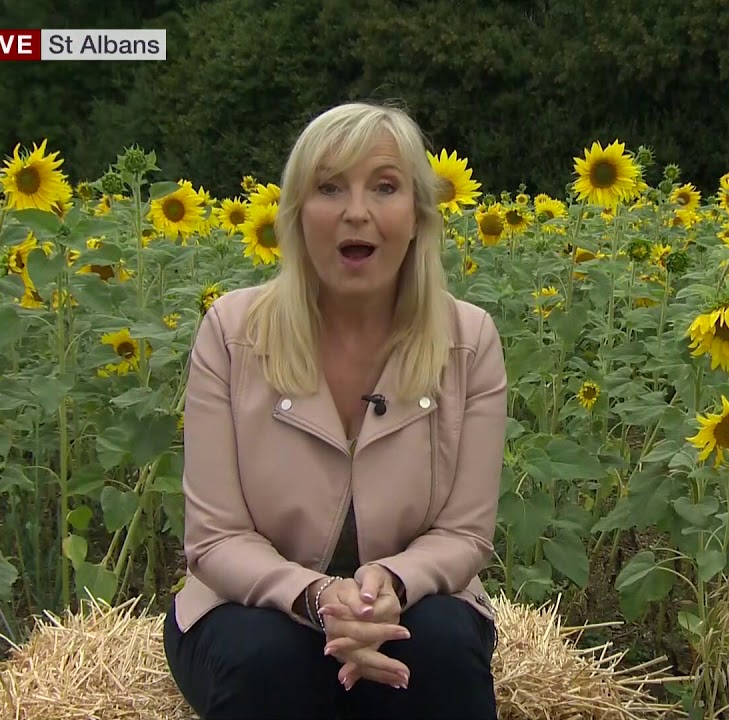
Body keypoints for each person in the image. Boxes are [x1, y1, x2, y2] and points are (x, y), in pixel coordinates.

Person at [163, 100, 508, 720]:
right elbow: (214, 539)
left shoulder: (469, 341)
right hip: (253, 609)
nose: (357, 212)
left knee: (445, 649)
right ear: (295, 217)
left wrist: (390, 588)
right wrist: (319, 597)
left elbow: (465, 534)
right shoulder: (232, 333)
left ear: (418, 217)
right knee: (269, 662)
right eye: (329, 188)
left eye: (384, 187)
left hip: (413, 603)